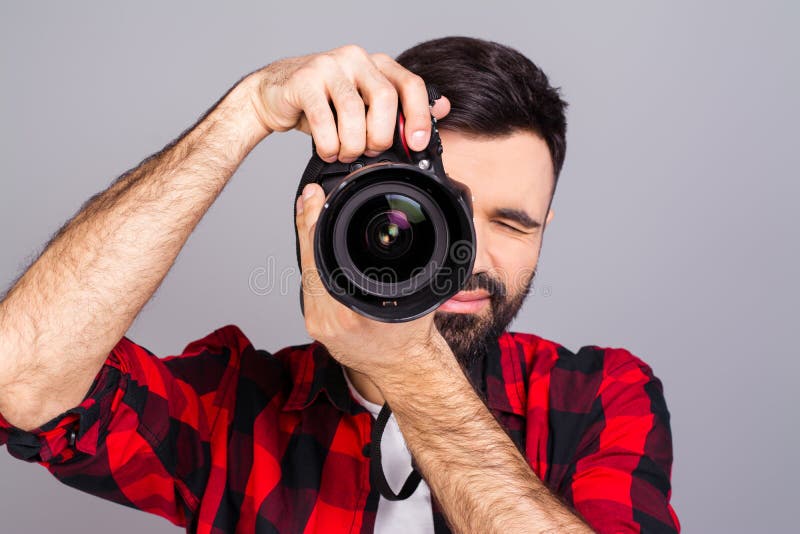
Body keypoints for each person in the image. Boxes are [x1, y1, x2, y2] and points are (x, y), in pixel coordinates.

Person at [0, 36, 679, 533]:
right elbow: (19, 378)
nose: (469, 256)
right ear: (344, 210)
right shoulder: (238, 410)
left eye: (514, 224)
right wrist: (246, 112)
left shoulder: (597, 396)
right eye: (440, 212)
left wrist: (409, 371)